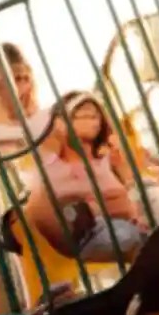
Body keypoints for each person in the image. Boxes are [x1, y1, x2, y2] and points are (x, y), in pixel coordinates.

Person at [26, 91, 147, 263]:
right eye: (85, 116)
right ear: (61, 123)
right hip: (95, 233)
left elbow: (131, 188)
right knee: (130, 238)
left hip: (133, 220)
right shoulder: (50, 170)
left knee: (152, 194)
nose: (94, 122)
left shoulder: (108, 159)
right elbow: (42, 210)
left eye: (96, 117)